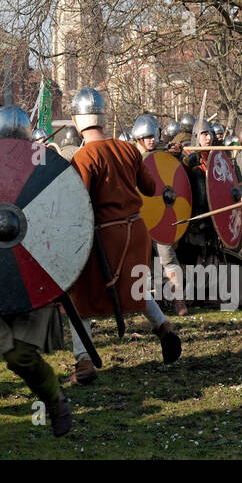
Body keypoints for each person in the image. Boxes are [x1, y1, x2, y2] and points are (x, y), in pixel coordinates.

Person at [0, 105, 72, 450]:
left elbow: (64, 223)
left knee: (19, 356)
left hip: (27, 276)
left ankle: (55, 400)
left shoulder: (42, 170)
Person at [66, 93, 179, 386]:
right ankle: (164, 328)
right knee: (136, 286)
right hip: (137, 230)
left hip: (106, 234)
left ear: (78, 121)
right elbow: (151, 186)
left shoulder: (84, 156)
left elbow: (78, 201)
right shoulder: (128, 149)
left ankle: (84, 361)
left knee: (79, 294)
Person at [131, 112, 187, 315]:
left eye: (153, 135)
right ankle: (156, 303)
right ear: (138, 138)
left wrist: (177, 156)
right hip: (140, 217)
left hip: (161, 216)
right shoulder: (132, 157)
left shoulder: (164, 154)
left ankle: (179, 301)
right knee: (144, 264)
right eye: (148, 137)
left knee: (168, 258)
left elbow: (175, 176)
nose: (152, 140)